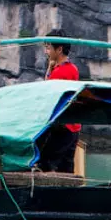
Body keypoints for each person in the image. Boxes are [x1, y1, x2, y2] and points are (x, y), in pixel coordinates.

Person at [38, 29, 81, 172]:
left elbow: (46, 92)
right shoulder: (71, 68)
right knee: (66, 166)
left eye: (48, 48)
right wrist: (50, 68)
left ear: (59, 49)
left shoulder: (61, 72)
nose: (46, 51)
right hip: (72, 126)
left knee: (45, 161)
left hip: (63, 127)